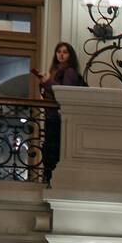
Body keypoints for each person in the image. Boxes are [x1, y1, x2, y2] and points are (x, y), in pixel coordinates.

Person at [33, 42, 87, 184]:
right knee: (50, 148)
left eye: (65, 52)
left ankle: (51, 179)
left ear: (70, 56)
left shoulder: (69, 72)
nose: (61, 54)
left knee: (54, 149)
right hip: (53, 116)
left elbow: (65, 93)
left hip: (60, 118)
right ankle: (49, 177)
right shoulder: (55, 70)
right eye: (59, 51)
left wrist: (47, 82)